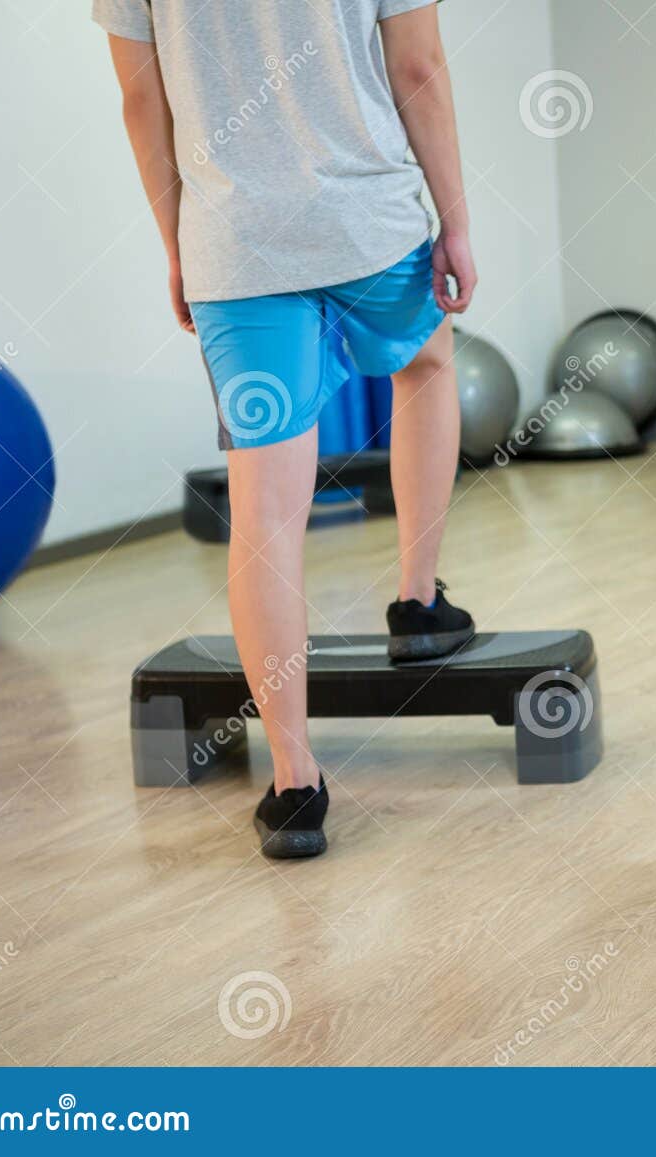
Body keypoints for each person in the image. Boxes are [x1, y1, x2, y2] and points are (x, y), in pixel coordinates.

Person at [95, 0, 479, 859]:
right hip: (369, 225)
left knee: (266, 513)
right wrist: (455, 220)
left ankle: (295, 782)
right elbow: (419, 67)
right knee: (427, 366)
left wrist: (177, 244)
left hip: (237, 249)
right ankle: (418, 603)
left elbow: (139, 97)